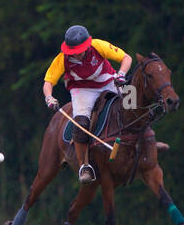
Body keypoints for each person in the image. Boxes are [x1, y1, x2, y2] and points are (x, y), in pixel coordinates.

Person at [42, 24, 132, 183]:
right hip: (82, 89)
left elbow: (126, 58)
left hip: (107, 80)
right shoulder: (62, 58)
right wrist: (49, 97)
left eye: (79, 51)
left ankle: (147, 139)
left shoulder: (98, 46)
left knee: (132, 95)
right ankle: (84, 166)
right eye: (73, 52)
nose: (76, 55)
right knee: (81, 122)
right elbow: (48, 82)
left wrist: (121, 74)